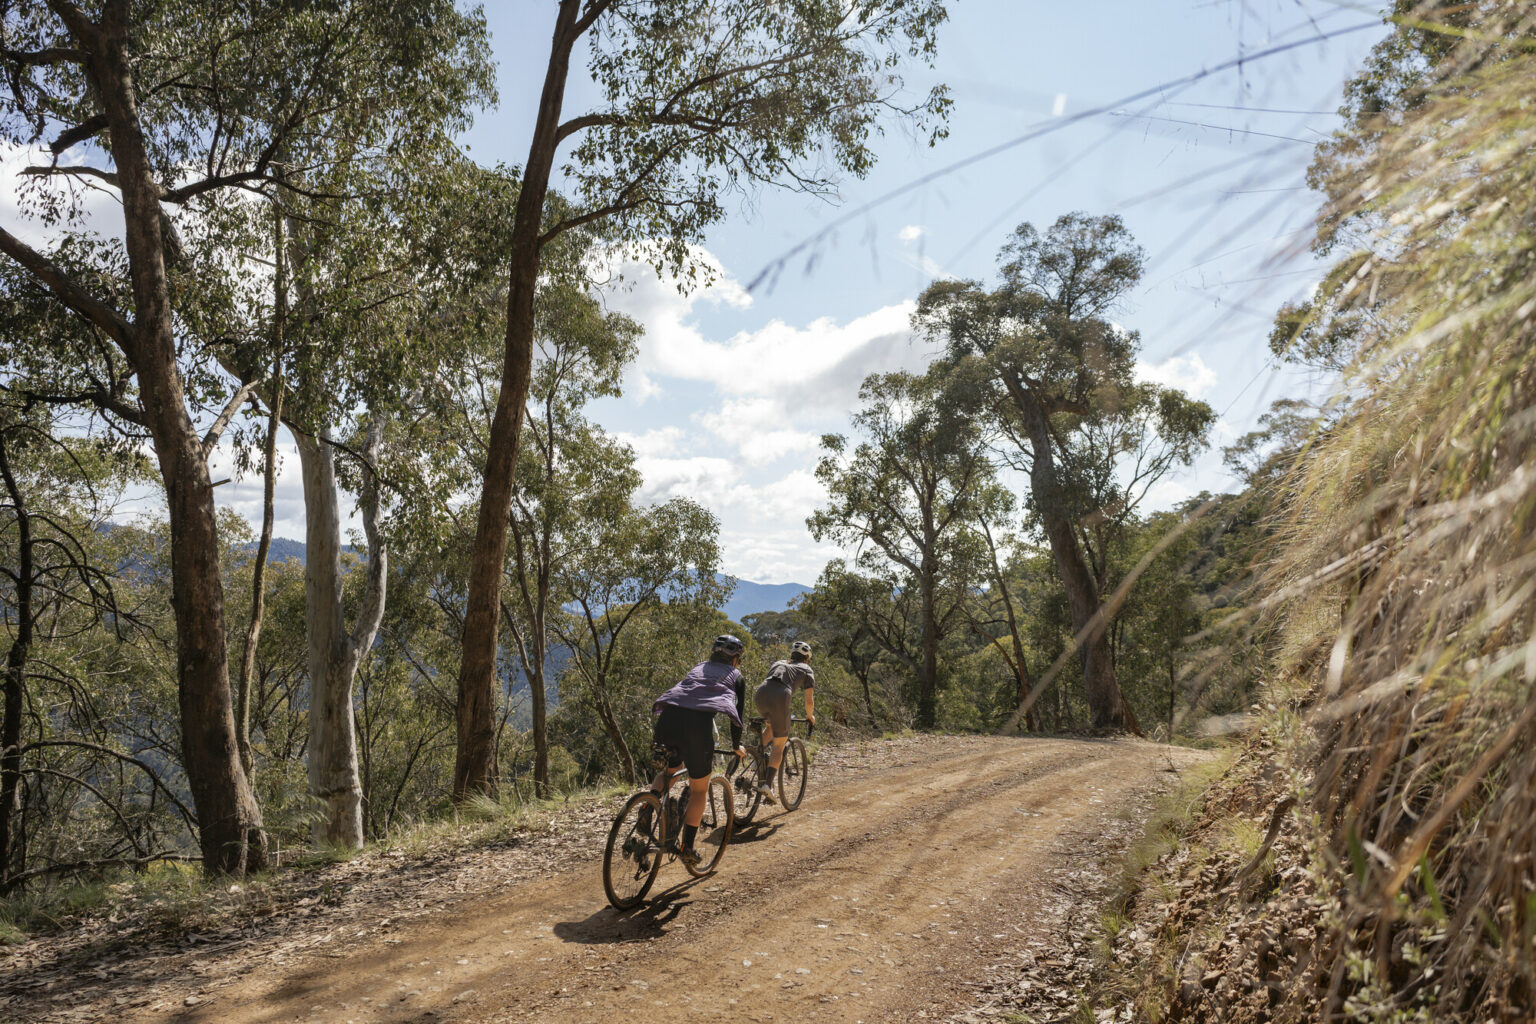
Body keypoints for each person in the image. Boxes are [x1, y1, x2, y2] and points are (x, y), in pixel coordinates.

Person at [647, 634, 748, 865]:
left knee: (670, 771)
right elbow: (737, 718)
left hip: (667, 719)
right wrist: (736, 747)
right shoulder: (736, 676)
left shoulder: (699, 667)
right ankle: (687, 847)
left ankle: (645, 811)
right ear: (735, 660)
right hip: (696, 728)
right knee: (699, 789)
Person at [753, 639, 815, 803]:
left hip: (760, 694)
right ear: (807, 658)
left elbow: (772, 683)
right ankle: (767, 784)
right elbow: (809, 701)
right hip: (781, 696)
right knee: (779, 745)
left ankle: (756, 757)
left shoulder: (779, 662)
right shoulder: (806, 669)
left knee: (771, 728)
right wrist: (810, 717)